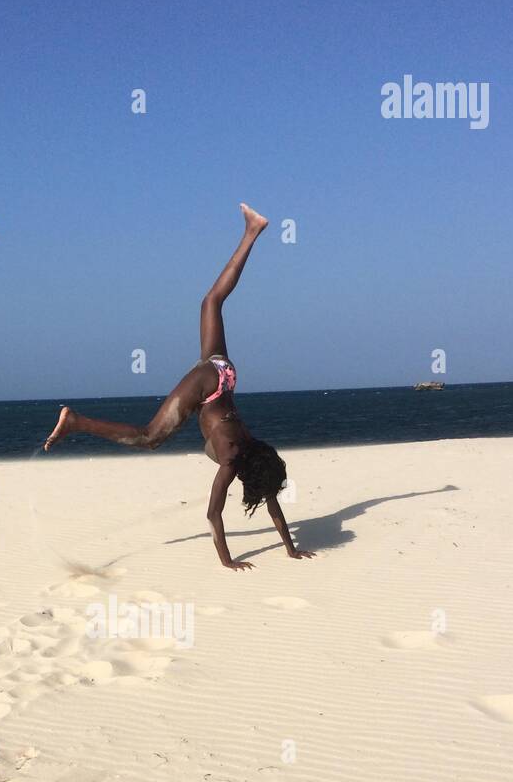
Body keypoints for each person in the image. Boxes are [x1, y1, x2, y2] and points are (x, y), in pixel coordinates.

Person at [44, 204, 314, 570]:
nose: (266, 497)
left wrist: (290, 547)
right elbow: (214, 515)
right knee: (149, 437)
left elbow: (273, 505)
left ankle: (252, 231)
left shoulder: (250, 446)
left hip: (225, 376)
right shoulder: (234, 460)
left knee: (212, 302)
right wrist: (227, 561)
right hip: (209, 385)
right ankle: (76, 421)